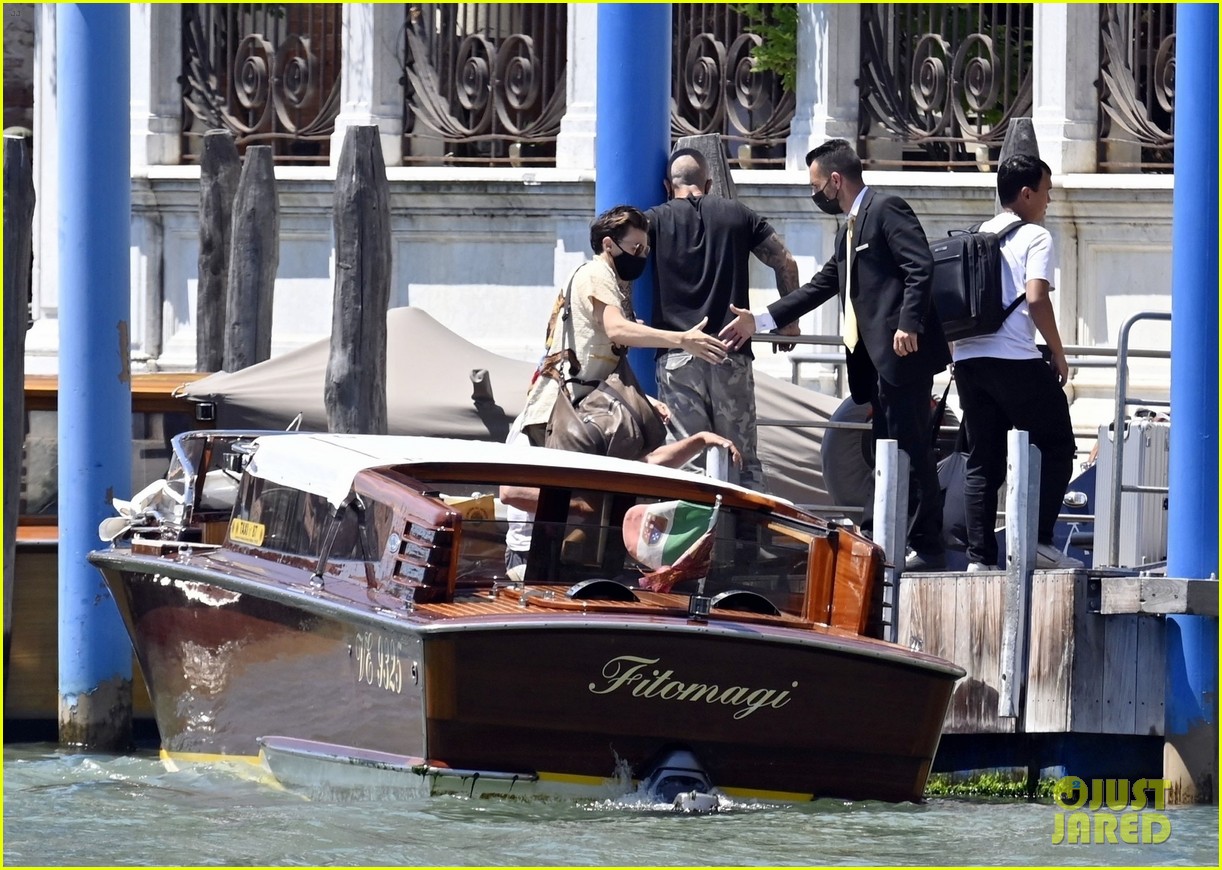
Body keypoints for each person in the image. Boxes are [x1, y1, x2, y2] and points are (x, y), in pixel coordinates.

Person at [720, 138, 951, 572]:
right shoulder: (850, 227)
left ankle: (928, 546)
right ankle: (881, 535)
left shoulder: (886, 209)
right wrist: (762, 319)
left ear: (835, 180)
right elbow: (821, 286)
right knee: (887, 448)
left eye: (815, 186)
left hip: (902, 355)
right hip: (876, 364)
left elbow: (920, 266)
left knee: (912, 448)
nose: (815, 196)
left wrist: (909, 323)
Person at [952, 155, 1083, 572]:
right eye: (1045, 191)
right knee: (1058, 443)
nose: (1048, 200)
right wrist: (1058, 352)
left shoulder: (976, 233)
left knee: (982, 460)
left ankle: (980, 561)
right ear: (1026, 193)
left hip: (969, 360)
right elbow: (1036, 298)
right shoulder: (1036, 237)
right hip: (1014, 359)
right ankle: (1040, 541)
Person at [645, 148, 801, 492]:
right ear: (710, 183)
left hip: (678, 355)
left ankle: (697, 543)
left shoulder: (654, 220)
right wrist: (787, 320)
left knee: (686, 464)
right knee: (741, 462)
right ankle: (742, 542)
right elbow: (785, 261)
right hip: (731, 350)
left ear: (667, 186)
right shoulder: (738, 214)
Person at [518, 204, 730, 447]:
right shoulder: (597, 273)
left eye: (645, 250)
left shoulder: (589, 275)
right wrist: (681, 340)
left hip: (568, 411)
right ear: (608, 245)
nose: (641, 256)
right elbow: (617, 329)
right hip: (567, 414)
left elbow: (596, 357)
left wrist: (644, 399)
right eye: (636, 248)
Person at [500, 413, 742, 572]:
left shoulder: (597, 420)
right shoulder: (533, 421)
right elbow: (511, 492)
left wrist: (698, 441)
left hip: (591, 551)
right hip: (531, 552)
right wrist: (581, 507)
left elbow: (646, 464)